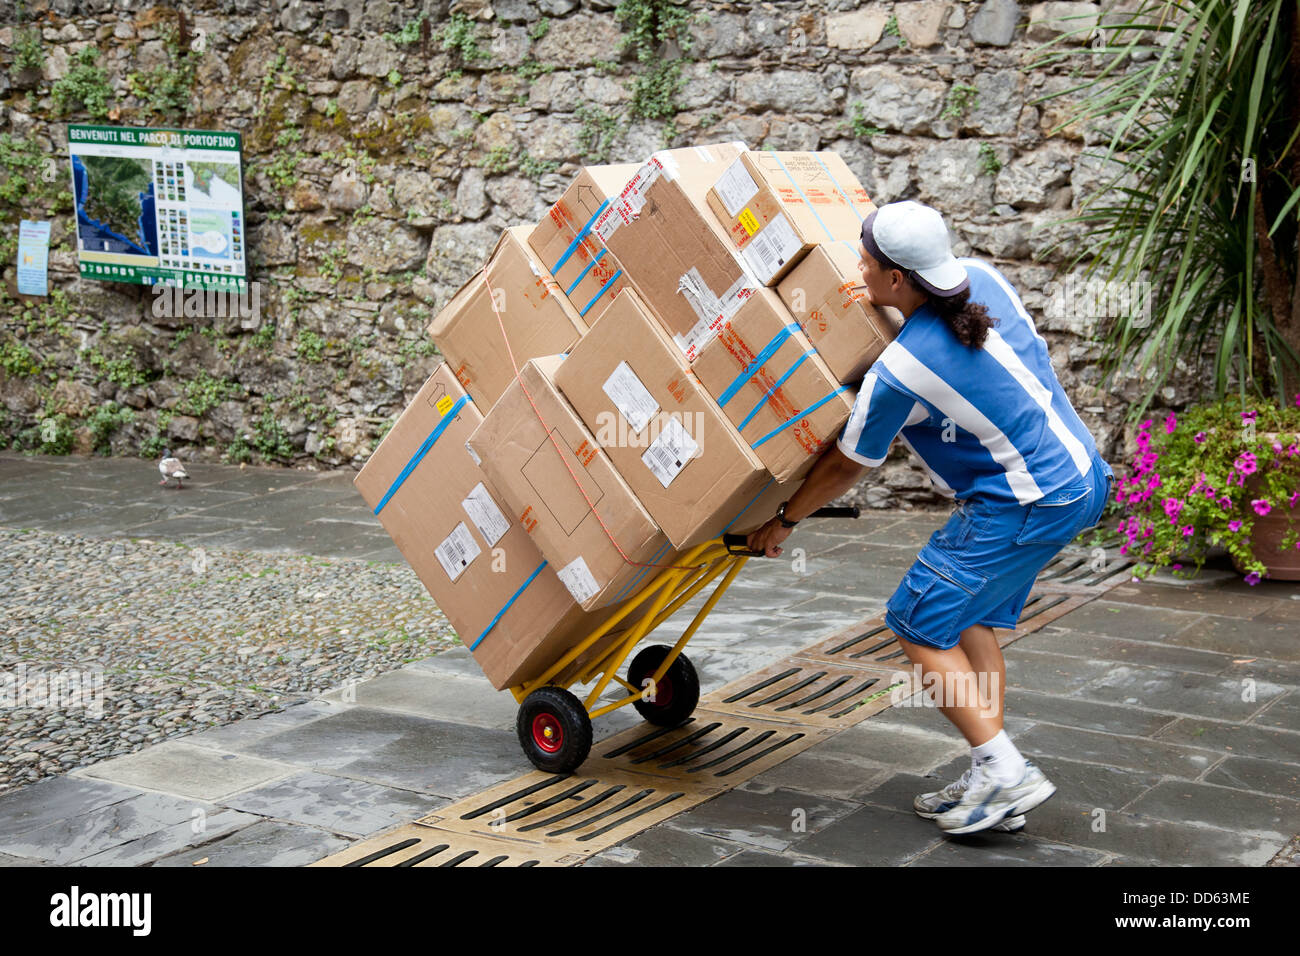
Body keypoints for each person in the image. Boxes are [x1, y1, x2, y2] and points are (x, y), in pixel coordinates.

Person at [747, 200, 1114, 836]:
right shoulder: (983, 277)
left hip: (1023, 503)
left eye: (866, 264)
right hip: (1081, 477)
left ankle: (1006, 771)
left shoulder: (904, 367)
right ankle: (992, 776)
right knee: (971, 621)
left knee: (915, 622)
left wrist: (783, 521)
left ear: (896, 281)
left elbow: (846, 465)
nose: (858, 270)